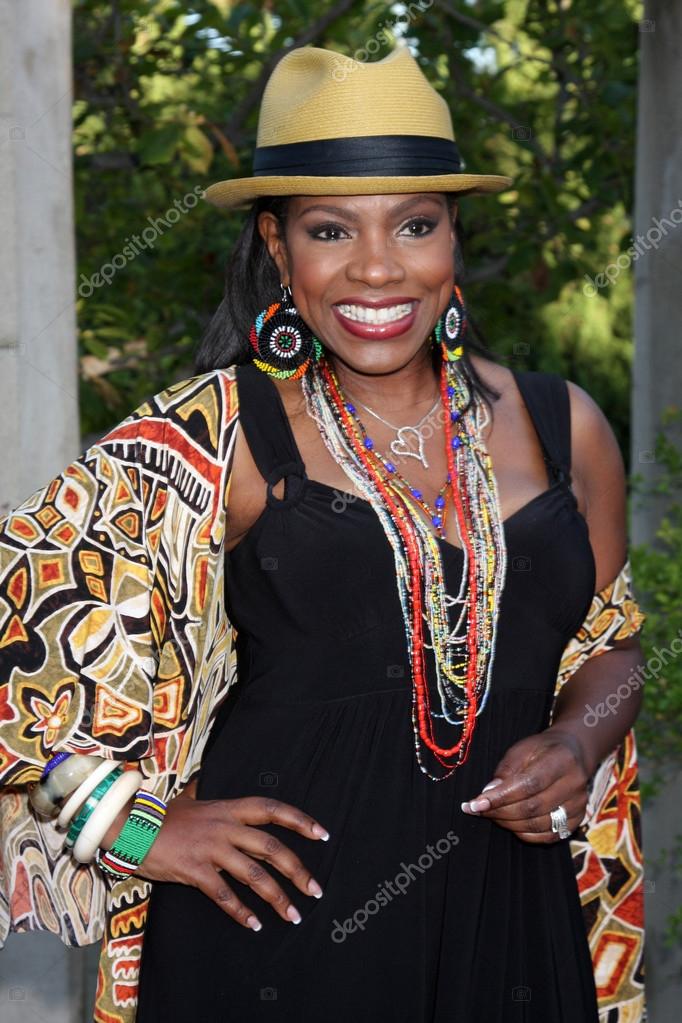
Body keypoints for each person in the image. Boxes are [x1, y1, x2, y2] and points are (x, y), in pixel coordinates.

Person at [0, 43, 648, 1023]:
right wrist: (131, 830)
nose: (379, 267)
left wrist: (573, 741)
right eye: (331, 230)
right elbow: (20, 689)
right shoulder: (209, 440)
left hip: (509, 929)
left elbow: (615, 649)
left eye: (415, 225)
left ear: (453, 240)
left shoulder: (565, 428)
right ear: (275, 244)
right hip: (274, 950)